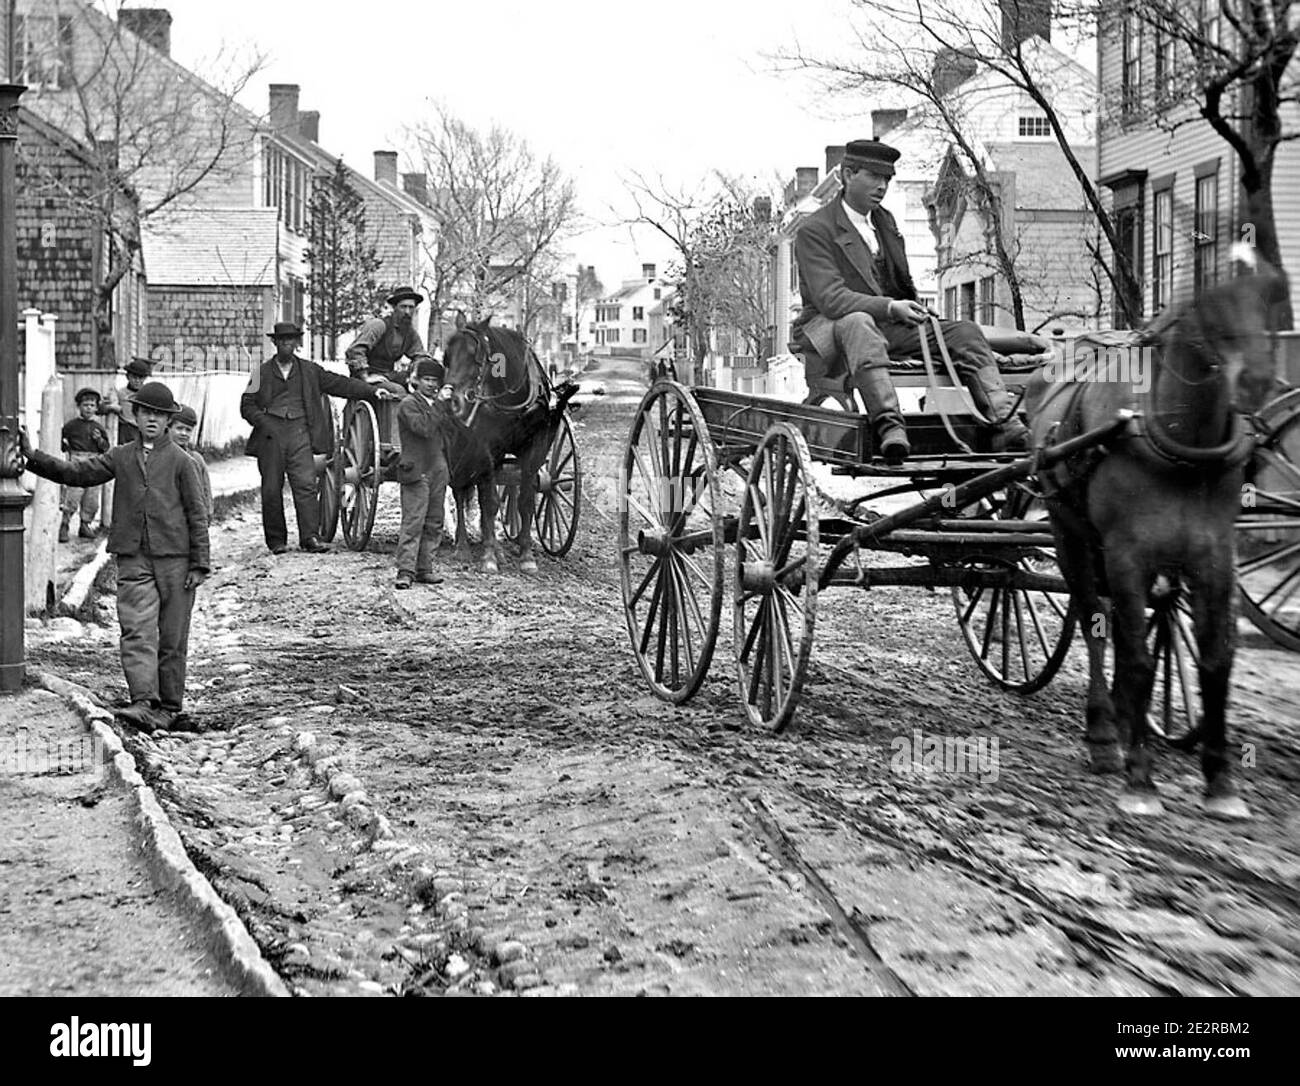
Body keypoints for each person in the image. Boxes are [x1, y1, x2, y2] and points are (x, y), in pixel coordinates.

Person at [791, 138, 1029, 462]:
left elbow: (898, 283)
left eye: (886, 179)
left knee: (965, 332)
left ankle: (1004, 423)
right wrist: (889, 307)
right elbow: (831, 300)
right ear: (848, 175)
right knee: (859, 323)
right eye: (873, 176)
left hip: (886, 327)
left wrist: (914, 309)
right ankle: (890, 427)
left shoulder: (883, 222)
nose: (882, 186)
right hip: (832, 331)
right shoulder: (815, 230)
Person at [20, 381, 209, 733]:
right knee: (136, 630)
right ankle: (142, 701)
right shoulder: (120, 455)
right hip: (133, 557)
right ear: (134, 415)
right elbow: (77, 473)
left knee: (172, 636)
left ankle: (169, 707)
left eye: (160, 414)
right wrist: (32, 455)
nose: (152, 419)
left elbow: (197, 514)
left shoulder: (183, 462)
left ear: (169, 420)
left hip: (177, 561)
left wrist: (199, 563)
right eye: (146, 412)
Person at [241, 321, 397, 555]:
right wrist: (264, 423)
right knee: (271, 489)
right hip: (270, 437)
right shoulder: (260, 373)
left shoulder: (310, 371)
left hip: (301, 433)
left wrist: (371, 390)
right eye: (281, 341)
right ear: (275, 343)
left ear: (297, 343)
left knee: (305, 485)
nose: (286, 345)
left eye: (291, 341)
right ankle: (276, 541)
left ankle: (310, 537)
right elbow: (246, 405)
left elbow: (339, 384)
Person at [393, 359, 453, 590]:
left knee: (434, 521)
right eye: (426, 380)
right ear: (417, 381)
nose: (430, 384)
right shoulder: (408, 404)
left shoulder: (442, 405)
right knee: (413, 521)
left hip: (437, 467)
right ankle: (405, 571)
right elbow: (424, 429)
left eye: (435, 380)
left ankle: (425, 568)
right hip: (415, 468)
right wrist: (439, 404)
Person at [344, 287, 433, 393]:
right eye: (403, 307)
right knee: (398, 390)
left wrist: (415, 373)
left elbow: (421, 356)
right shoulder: (379, 325)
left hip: (389, 375)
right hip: (367, 377)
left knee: (422, 392)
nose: (407, 312)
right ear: (394, 307)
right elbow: (355, 350)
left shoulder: (410, 333)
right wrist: (365, 376)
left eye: (411, 307)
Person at [59, 387, 111, 542]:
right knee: (73, 495)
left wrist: (99, 440)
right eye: (85, 405)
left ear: (96, 408)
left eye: (92, 405)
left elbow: (106, 448)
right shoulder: (71, 426)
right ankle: (65, 524)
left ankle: (85, 525)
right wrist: (65, 444)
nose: (89, 408)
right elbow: (62, 442)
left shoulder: (99, 428)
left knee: (92, 498)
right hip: (77, 462)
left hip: (94, 463)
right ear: (79, 407)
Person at [170, 404, 213, 519]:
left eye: (188, 430)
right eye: (179, 428)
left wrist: (207, 512)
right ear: (168, 428)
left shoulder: (196, 459)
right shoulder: (160, 456)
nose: (184, 433)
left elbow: (205, 488)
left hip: (191, 515)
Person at [98, 358, 152, 445]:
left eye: (140, 378)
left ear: (145, 378)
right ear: (128, 377)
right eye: (134, 377)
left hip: (143, 430)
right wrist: (111, 407)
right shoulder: (120, 393)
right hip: (126, 431)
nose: (137, 381)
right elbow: (99, 409)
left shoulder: (148, 394)